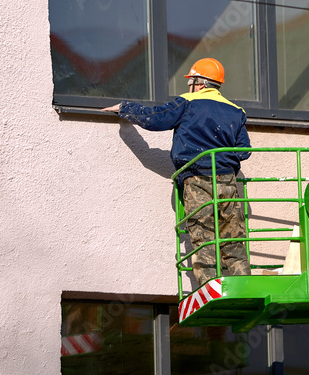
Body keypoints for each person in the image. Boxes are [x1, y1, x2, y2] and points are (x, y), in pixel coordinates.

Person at [102, 58, 251, 286]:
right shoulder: (236, 111)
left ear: (199, 83)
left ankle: (209, 289)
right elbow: (244, 151)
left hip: (198, 179)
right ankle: (245, 286)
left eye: (191, 82)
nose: (189, 86)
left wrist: (125, 108)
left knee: (204, 238)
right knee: (234, 239)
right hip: (228, 182)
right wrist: (222, 157)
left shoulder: (188, 103)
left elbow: (155, 118)